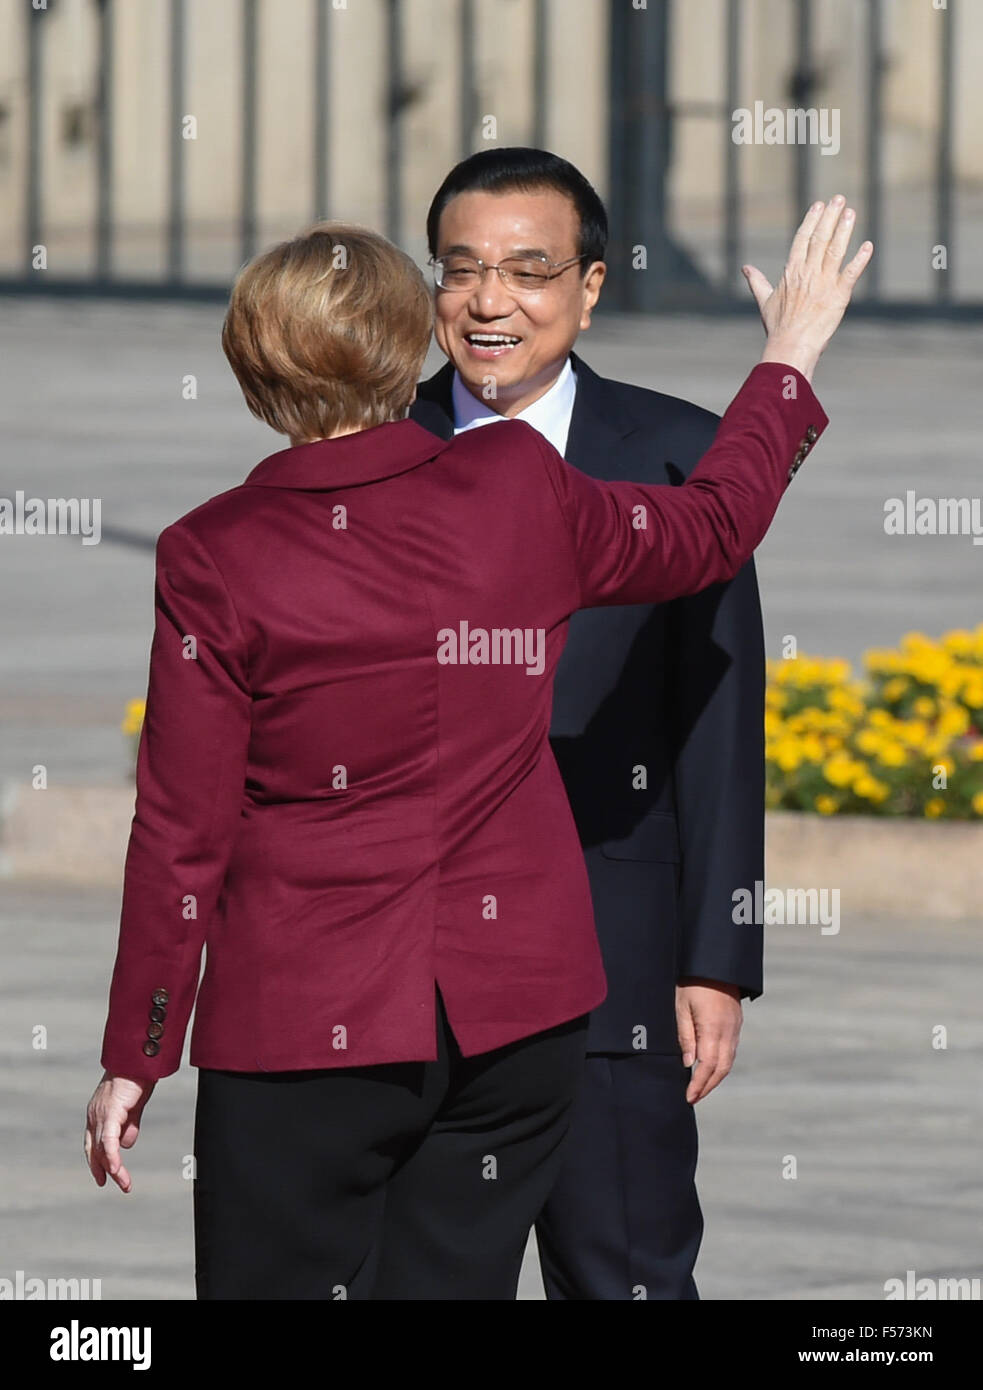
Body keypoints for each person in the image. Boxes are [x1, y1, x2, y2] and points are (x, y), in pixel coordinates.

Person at [84, 202, 871, 1300]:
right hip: (517, 1027)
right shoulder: (514, 486)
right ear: (406, 340)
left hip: (305, 1034)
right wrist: (785, 359)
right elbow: (711, 526)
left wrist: (138, 1049)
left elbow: (181, 829)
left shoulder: (215, 554)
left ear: (253, 370)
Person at [409, 146, 774, 1297]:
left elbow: (718, 717)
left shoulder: (678, 454)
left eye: (526, 269)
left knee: (626, 1271)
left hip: (613, 968)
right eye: (461, 270)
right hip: (412, 974)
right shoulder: (371, 451)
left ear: (590, 286)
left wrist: (714, 959)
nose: (488, 302)